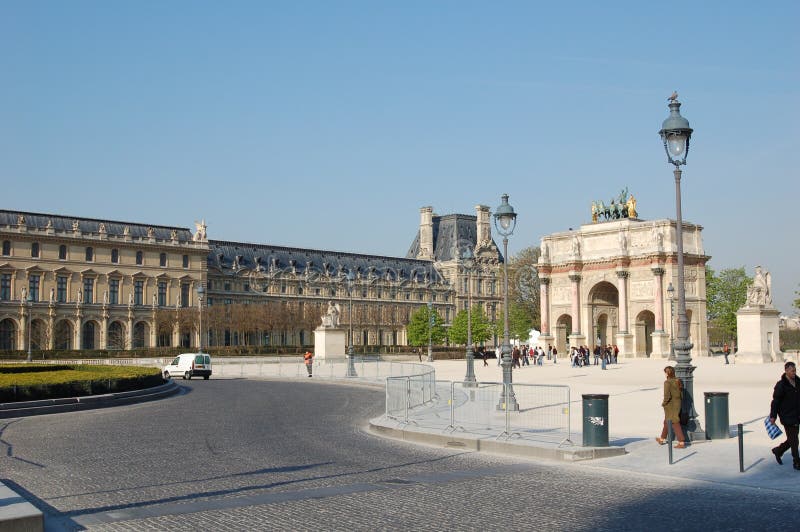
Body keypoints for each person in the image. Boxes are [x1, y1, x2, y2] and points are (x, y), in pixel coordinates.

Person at [769, 361, 800, 469]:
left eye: (795, 370)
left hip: (797, 415)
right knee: (795, 440)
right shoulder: (781, 385)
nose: (794, 372)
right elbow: (775, 401)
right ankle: (796, 462)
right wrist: (773, 416)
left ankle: (778, 450)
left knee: (793, 439)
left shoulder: (798, 381)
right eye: (792, 371)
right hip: (787, 416)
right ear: (786, 371)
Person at [656, 366, 686, 448]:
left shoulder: (667, 382)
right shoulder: (677, 380)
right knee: (667, 421)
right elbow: (681, 394)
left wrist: (664, 403)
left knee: (675, 421)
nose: (665, 374)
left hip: (670, 405)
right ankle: (662, 438)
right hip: (677, 403)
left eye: (665, 372)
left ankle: (681, 442)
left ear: (668, 373)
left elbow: (667, 396)